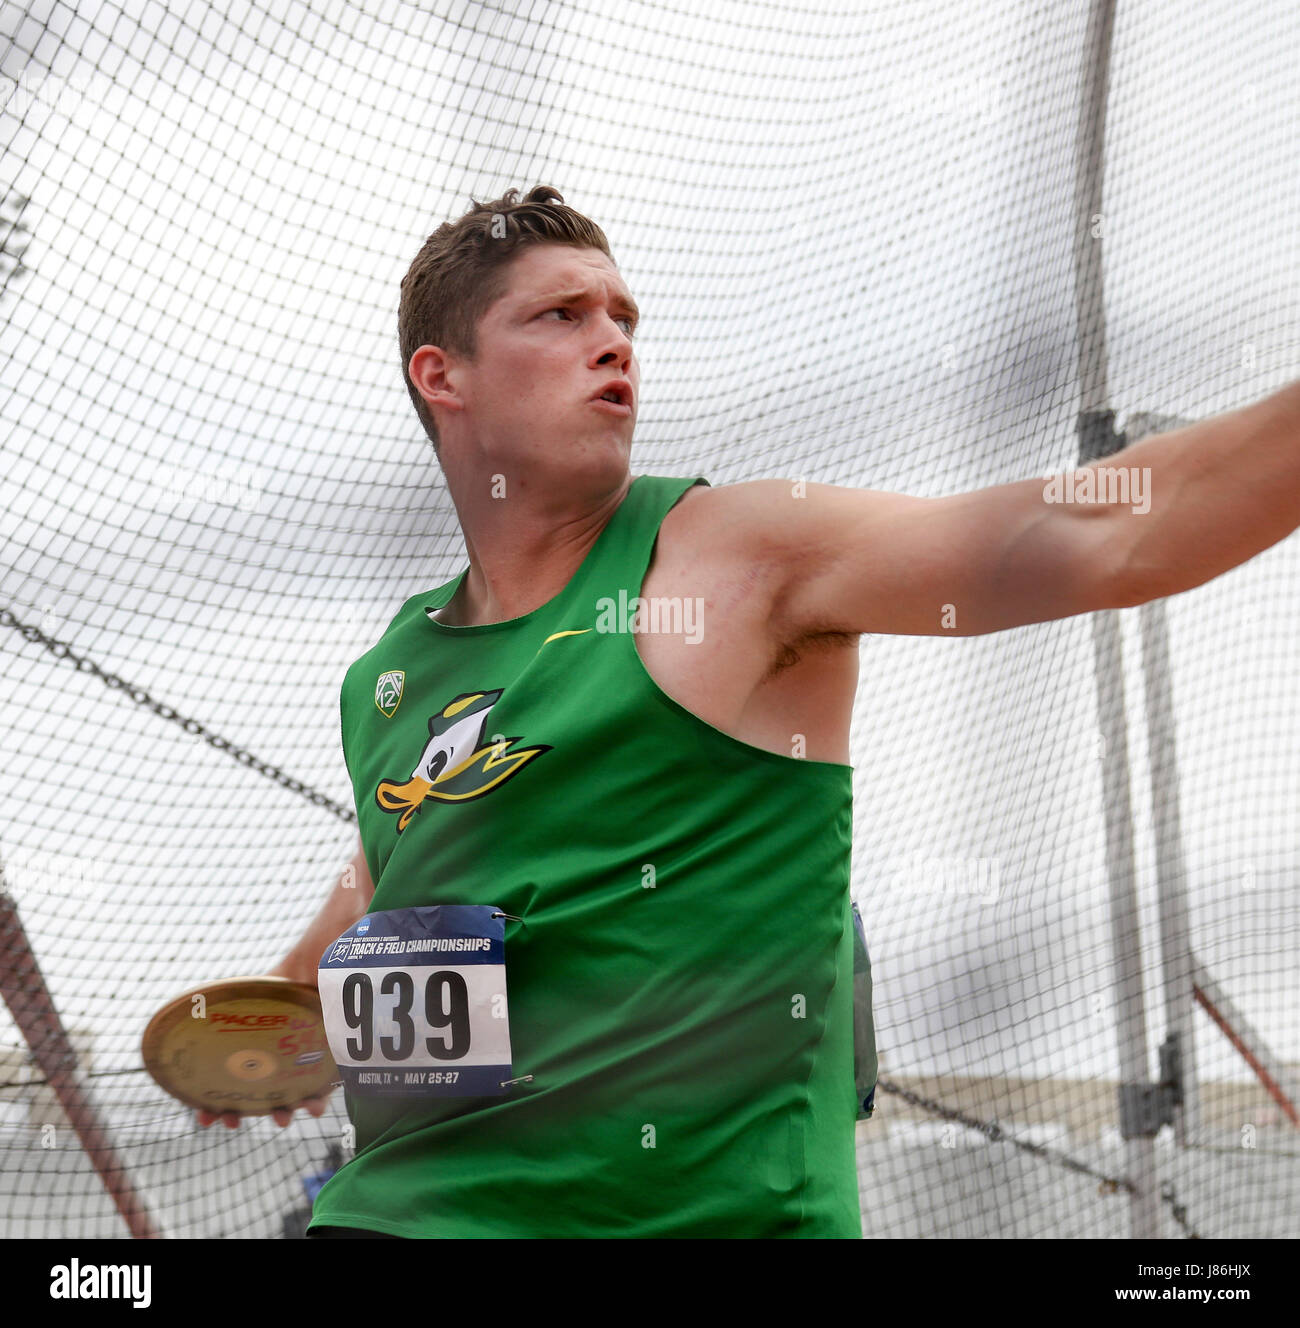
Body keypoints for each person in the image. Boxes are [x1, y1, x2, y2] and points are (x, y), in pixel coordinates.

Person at [199, 184, 1300, 1237]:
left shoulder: (738, 551)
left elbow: (1119, 529)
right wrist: (279, 1018)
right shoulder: (390, 671)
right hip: (400, 1218)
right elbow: (405, 868)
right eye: (561, 313)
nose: (615, 340)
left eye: (624, 317)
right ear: (444, 376)